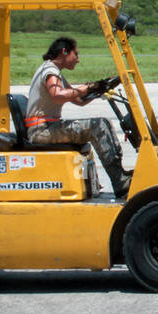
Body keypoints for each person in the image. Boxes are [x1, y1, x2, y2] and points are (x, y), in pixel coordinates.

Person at [26, 37, 131, 197]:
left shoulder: (54, 72)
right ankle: (120, 181)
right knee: (98, 126)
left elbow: (79, 101)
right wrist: (85, 88)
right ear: (64, 52)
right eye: (76, 54)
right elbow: (57, 95)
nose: (78, 59)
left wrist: (97, 89)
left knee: (104, 123)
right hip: (42, 130)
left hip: (47, 128)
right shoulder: (50, 71)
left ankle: (118, 174)